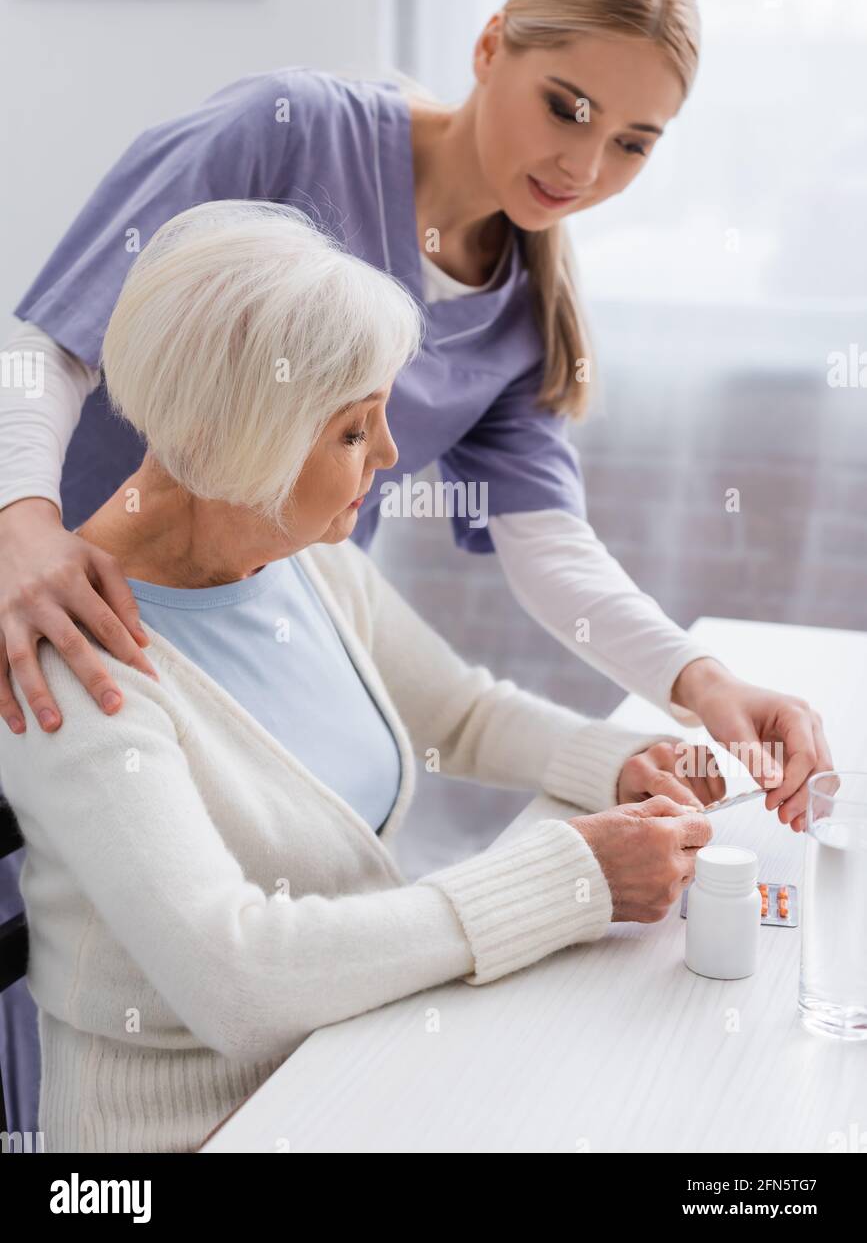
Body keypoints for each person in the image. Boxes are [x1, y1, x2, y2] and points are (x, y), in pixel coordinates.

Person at [0, 201, 715, 1152]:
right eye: (352, 431)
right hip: (206, 1129)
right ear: (243, 441)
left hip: (351, 1066)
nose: (386, 455)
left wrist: (622, 762)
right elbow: (239, 976)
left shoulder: (296, 552)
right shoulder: (78, 666)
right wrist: (570, 877)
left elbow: (458, 714)